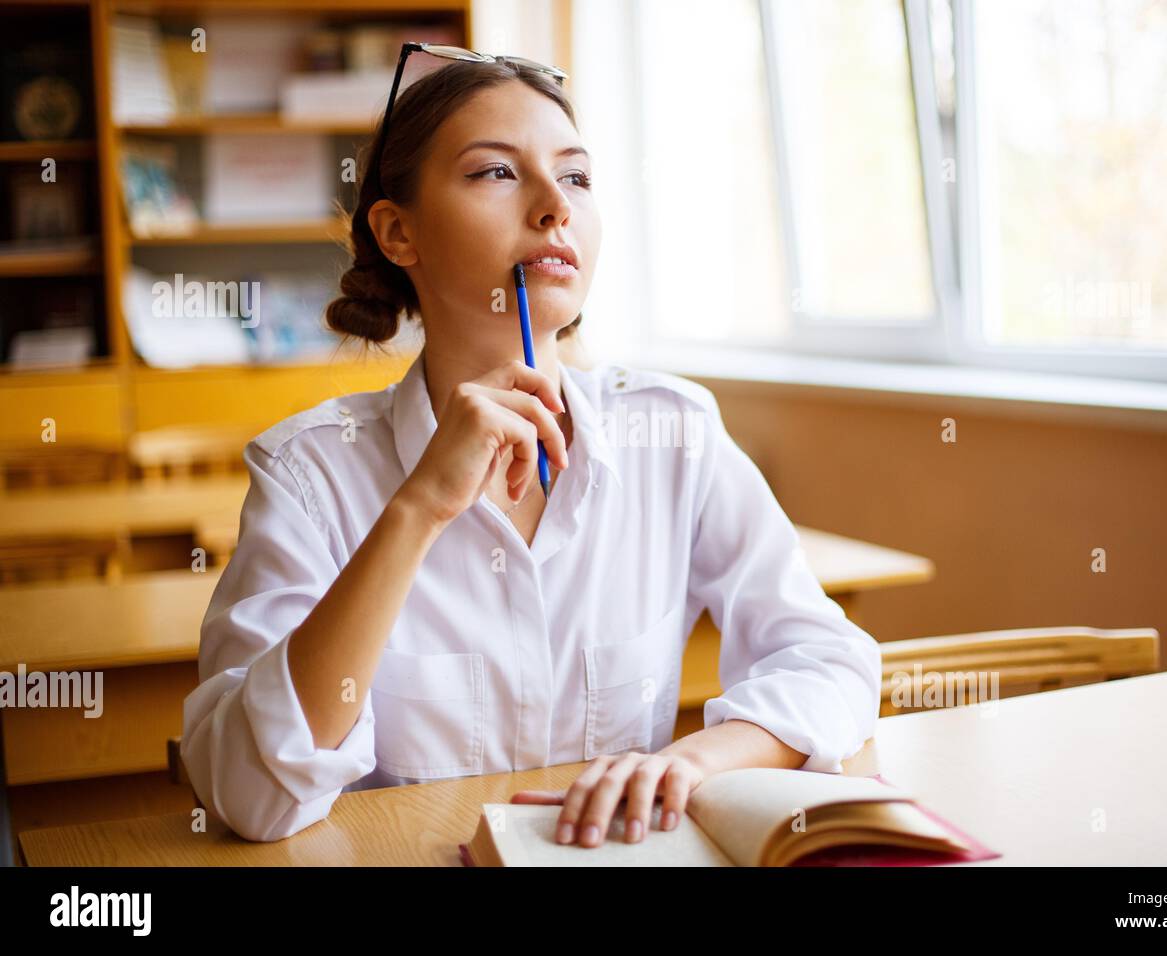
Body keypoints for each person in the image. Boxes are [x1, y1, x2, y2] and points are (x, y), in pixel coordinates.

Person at [181, 54, 882, 848]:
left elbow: (831, 661)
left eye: (577, 179)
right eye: (494, 174)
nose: (555, 208)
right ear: (397, 231)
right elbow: (249, 792)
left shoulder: (673, 431)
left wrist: (695, 763)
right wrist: (416, 510)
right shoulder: (310, 473)